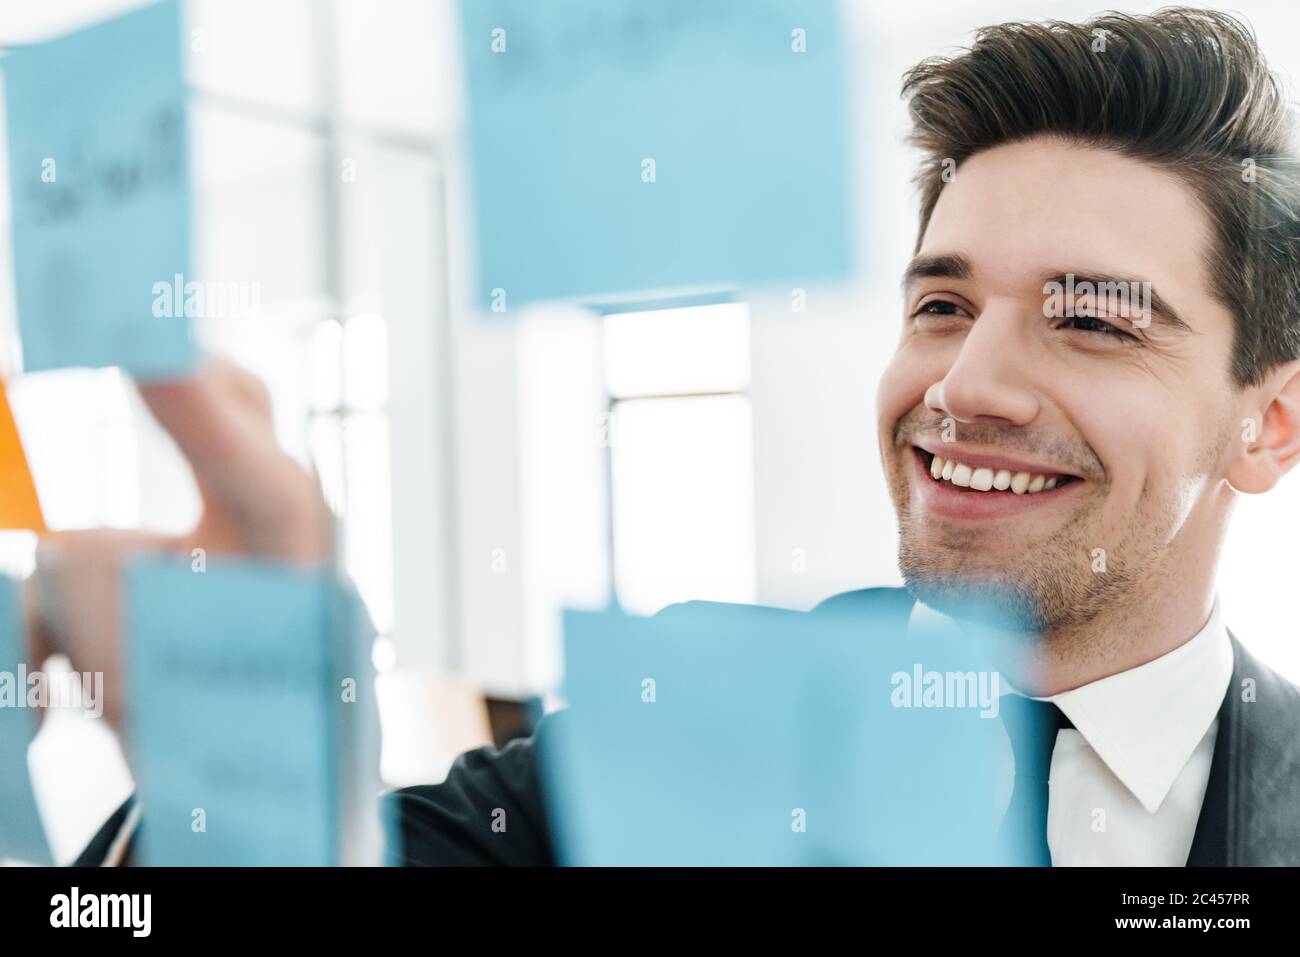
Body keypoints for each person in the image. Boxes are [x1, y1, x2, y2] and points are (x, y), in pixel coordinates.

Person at [33, 7, 1300, 866]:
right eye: (940, 306)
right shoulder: (676, 725)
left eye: (1089, 321)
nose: (966, 384)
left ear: (1267, 424)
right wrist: (237, 738)